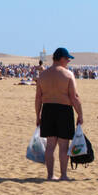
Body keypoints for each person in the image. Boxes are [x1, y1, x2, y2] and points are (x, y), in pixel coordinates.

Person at [35, 48, 83, 181]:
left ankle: (50, 175)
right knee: (63, 146)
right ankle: (63, 175)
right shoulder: (68, 75)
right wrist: (80, 113)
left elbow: (38, 97)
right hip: (64, 110)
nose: (68, 61)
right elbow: (74, 97)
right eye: (67, 58)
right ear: (61, 58)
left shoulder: (43, 75)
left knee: (50, 146)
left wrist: (37, 115)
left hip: (48, 109)